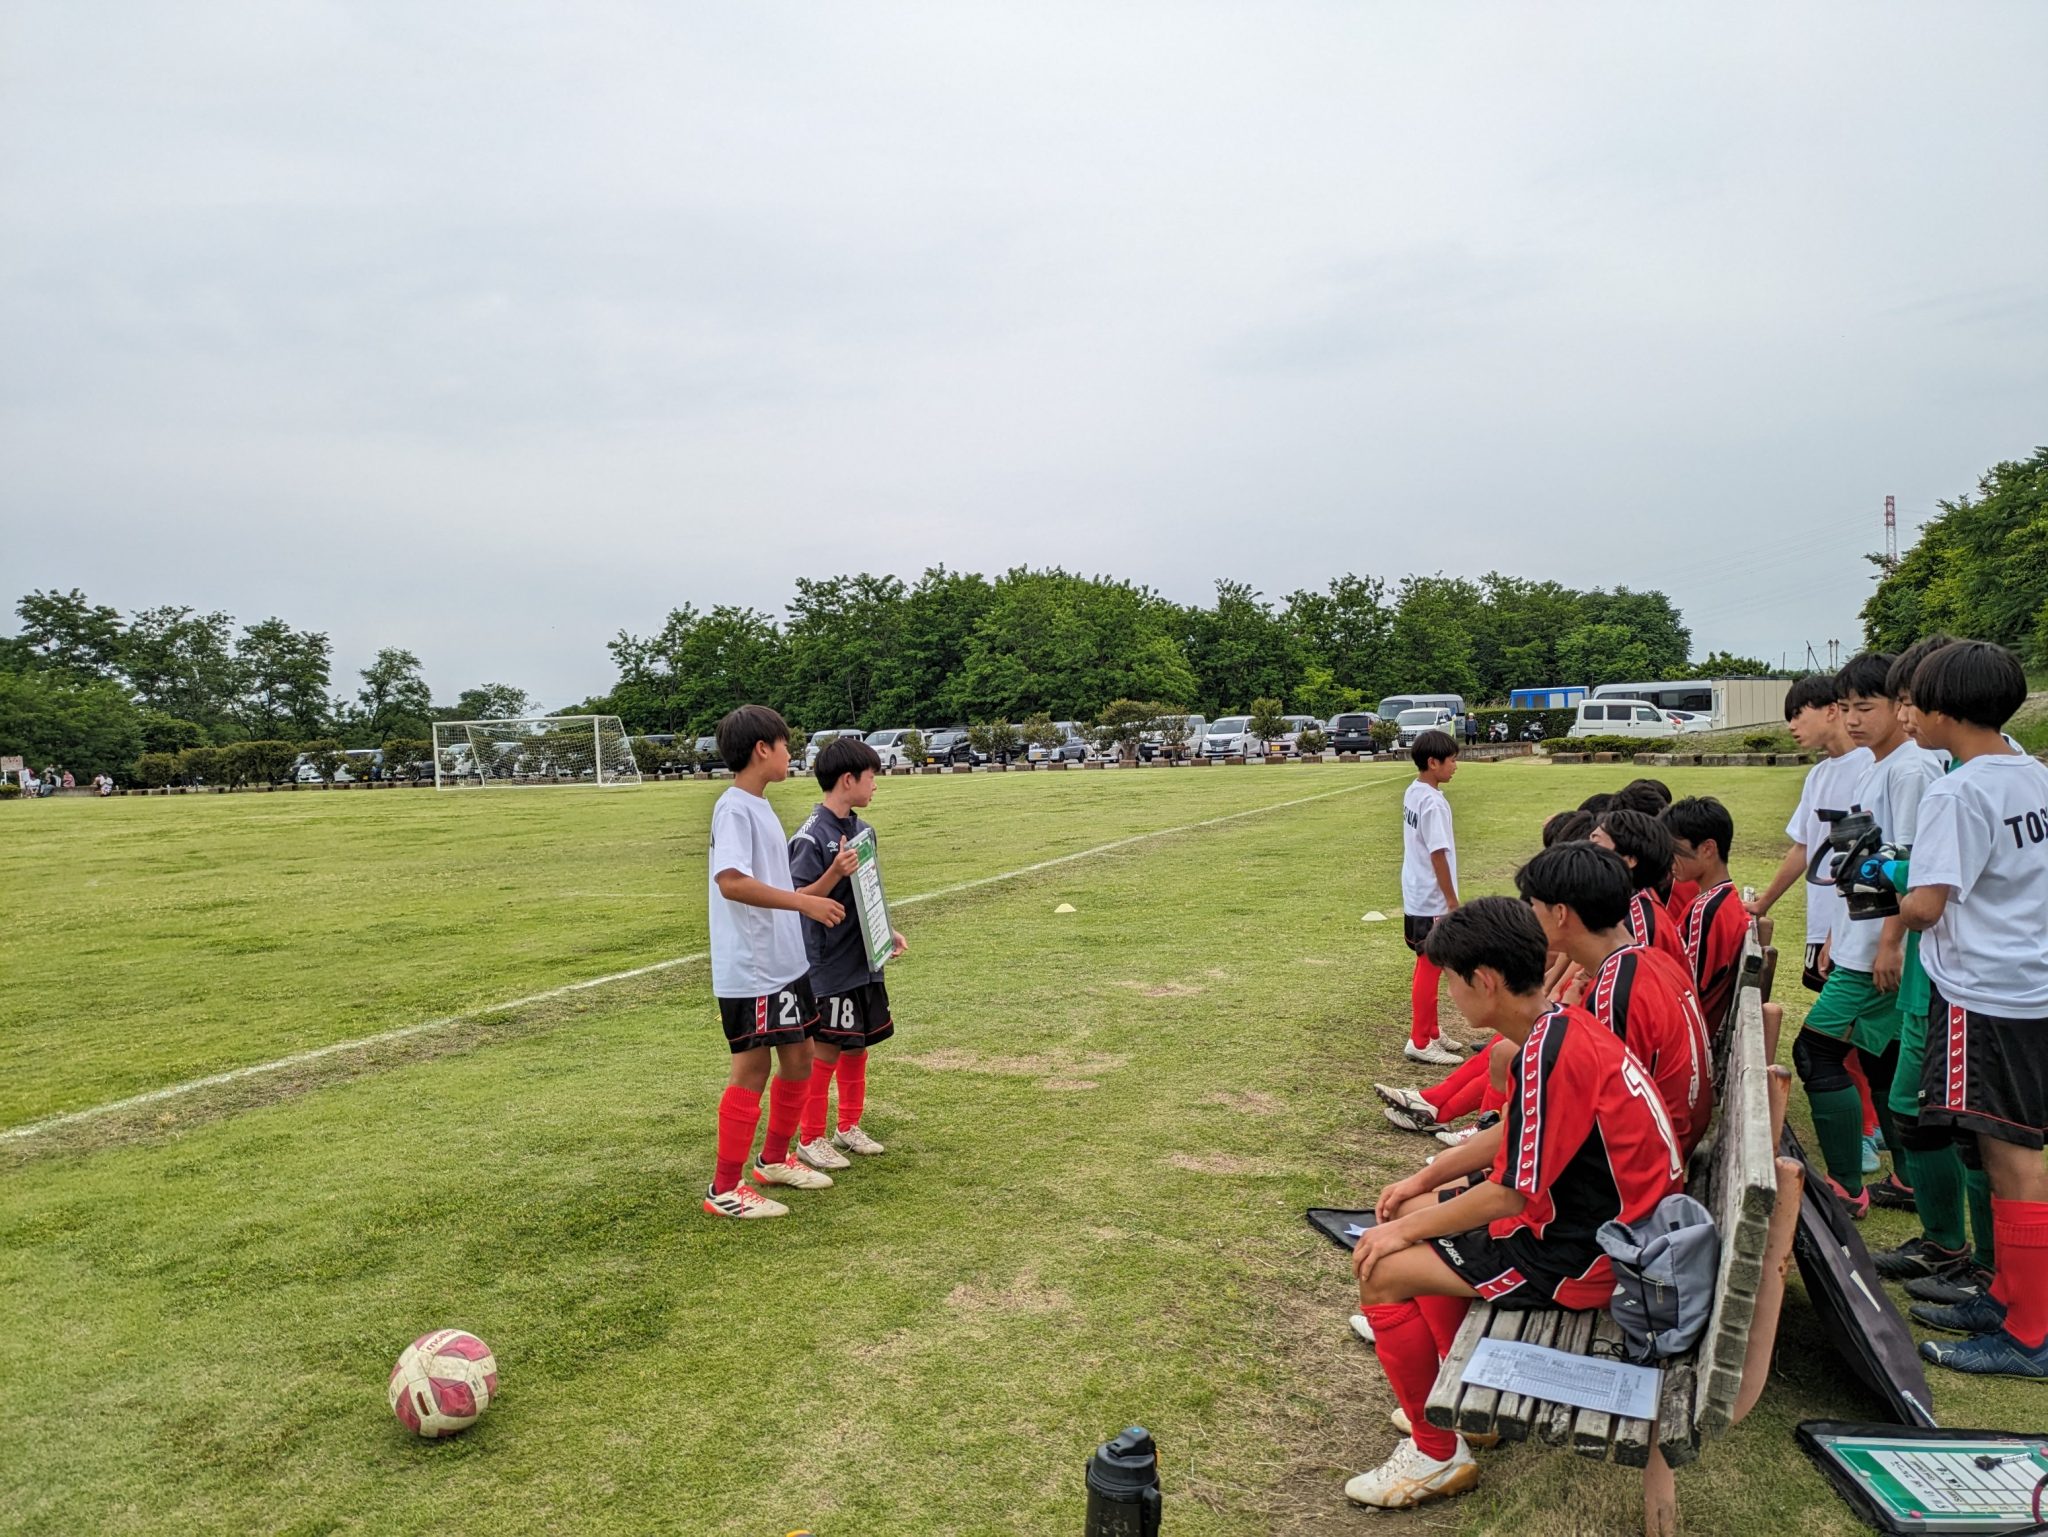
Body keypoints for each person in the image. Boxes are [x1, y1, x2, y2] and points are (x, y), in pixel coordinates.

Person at [1342, 899, 1684, 1510]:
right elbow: (1518, 1133)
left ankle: (1436, 1454)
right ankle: (1465, 1399)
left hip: (1592, 1259)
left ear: (1485, 982)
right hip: (1619, 1232)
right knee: (1417, 1217)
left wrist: (1406, 1227)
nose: (1450, 995)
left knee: (1381, 1265)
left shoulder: (1550, 1050)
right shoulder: (1558, 1028)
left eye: (1452, 981)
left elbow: (1512, 1192)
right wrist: (1426, 1182)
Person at [1897, 640, 2048, 1378]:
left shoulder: (1956, 791)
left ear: (1944, 710)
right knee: (1999, 1145)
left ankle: (2031, 1333)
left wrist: (1889, 883)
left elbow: (1926, 907)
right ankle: (2009, 1295)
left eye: (1913, 702)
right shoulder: (2033, 774)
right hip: (2029, 985)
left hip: (1985, 994)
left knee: (2013, 1155)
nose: (1907, 716)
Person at [1789, 652, 1944, 1219]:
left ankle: (1845, 1186)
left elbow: (1913, 865)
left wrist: (1888, 943)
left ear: (1901, 705)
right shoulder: (1879, 765)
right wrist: (1836, 932)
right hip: (1859, 942)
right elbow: (1863, 862)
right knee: (1882, 1059)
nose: (1853, 719)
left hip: (1881, 950)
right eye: (1845, 707)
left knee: (1817, 1050)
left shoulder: (1909, 769)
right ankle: (1904, 1180)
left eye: (1866, 706)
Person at [702, 704, 856, 1219]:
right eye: (786, 744)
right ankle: (725, 1189)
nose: (793, 753)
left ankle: (774, 1160)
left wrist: (828, 879)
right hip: (753, 967)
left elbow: (784, 890)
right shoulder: (734, 808)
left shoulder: (761, 806)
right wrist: (804, 903)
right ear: (761, 749)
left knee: (800, 1059)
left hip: (785, 966)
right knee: (752, 1067)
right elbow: (732, 883)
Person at [1516, 841, 1713, 1156]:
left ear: (1561, 913)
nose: (1530, 915)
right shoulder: (1648, 960)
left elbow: (1585, 1111)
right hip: (1675, 1137)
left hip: (1646, 1159)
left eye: (1534, 905)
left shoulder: (1613, 994)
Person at [787, 736, 907, 1172]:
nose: (876, 785)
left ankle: (848, 1127)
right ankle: (810, 1137)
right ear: (848, 779)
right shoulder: (810, 837)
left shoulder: (862, 831)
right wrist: (833, 872)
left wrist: (884, 930)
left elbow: (866, 891)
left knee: (858, 1046)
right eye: (872, 777)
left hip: (864, 960)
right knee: (828, 1050)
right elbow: (797, 898)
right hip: (828, 964)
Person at [1746, 672, 1873, 990]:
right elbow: (1804, 847)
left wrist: (1839, 932)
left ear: (1831, 710)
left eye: (1798, 715)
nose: (1791, 726)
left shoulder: (1873, 765)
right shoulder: (1818, 775)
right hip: (1823, 920)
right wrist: (1764, 903)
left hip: (1861, 923)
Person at [1400, 730, 1466, 1068]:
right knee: (1430, 965)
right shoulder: (1433, 802)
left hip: (1415, 892)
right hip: (1431, 898)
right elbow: (1439, 854)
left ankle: (1433, 1031)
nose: (1456, 765)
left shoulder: (1414, 792)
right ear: (1433, 762)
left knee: (1428, 964)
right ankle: (1420, 1040)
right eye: (1452, 759)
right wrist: (1452, 901)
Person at [1660, 795, 1750, 1030]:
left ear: (1707, 848)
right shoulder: (1722, 900)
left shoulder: (1707, 911)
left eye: (1674, 850)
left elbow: (1687, 990)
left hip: (1690, 1032)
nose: (1668, 860)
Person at [1590, 808, 1690, 969]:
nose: (1583, 853)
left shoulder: (1638, 929)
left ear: (1629, 860)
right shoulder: (1627, 902)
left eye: (1595, 844)